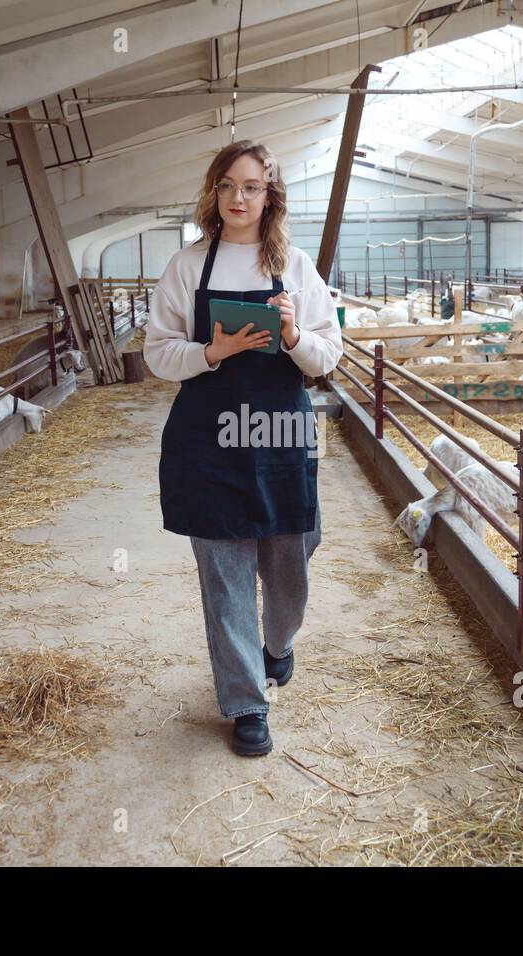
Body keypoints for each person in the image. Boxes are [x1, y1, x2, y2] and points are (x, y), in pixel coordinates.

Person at [143, 140, 343, 755]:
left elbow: (328, 353)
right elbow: (156, 352)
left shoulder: (296, 265)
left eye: (251, 187)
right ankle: (246, 703)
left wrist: (291, 334)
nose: (238, 198)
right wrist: (212, 352)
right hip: (209, 433)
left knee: (292, 558)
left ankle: (277, 645)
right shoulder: (186, 265)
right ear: (213, 192)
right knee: (225, 573)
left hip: (280, 430)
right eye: (227, 185)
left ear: (269, 195)